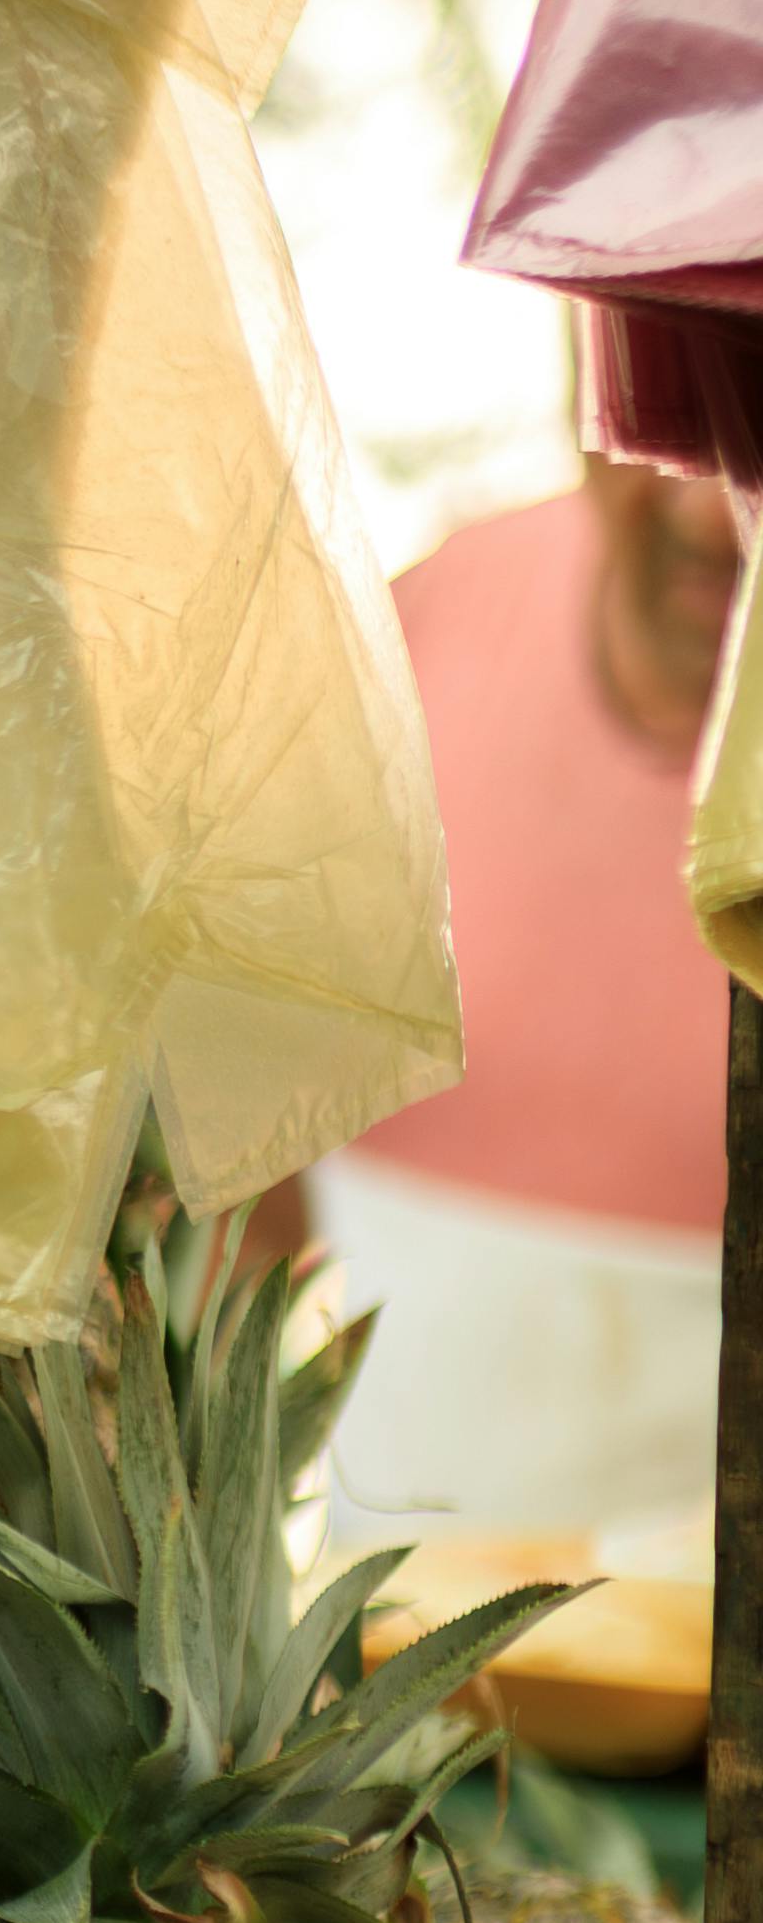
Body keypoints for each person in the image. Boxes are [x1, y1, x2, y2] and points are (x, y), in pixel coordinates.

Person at [302, 454, 739, 1540]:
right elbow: (236, 1180)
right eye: (677, 425)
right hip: (390, 1600)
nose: (706, 512)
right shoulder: (424, 624)